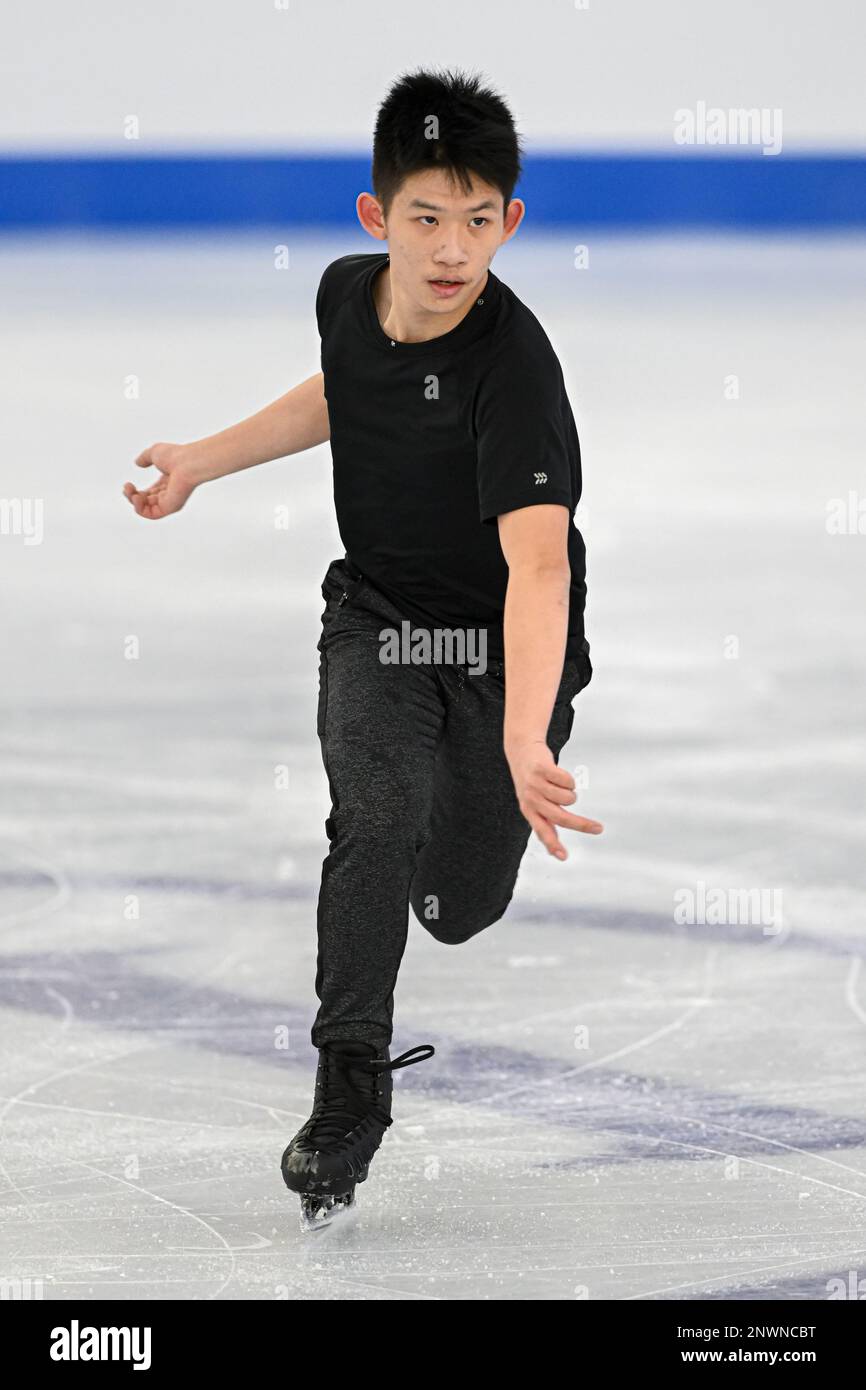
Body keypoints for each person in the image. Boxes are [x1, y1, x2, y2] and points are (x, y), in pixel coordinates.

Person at [123, 66, 604, 1229]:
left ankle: (458, 827)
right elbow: (343, 391)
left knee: (457, 905)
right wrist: (201, 457)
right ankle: (347, 1090)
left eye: (477, 221)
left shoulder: (514, 368)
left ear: (511, 221)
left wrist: (520, 725)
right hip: (379, 622)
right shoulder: (347, 294)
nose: (450, 250)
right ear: (374, 217)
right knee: (373, 820)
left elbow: (540, 567)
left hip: (497, 648)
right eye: (425, 218)